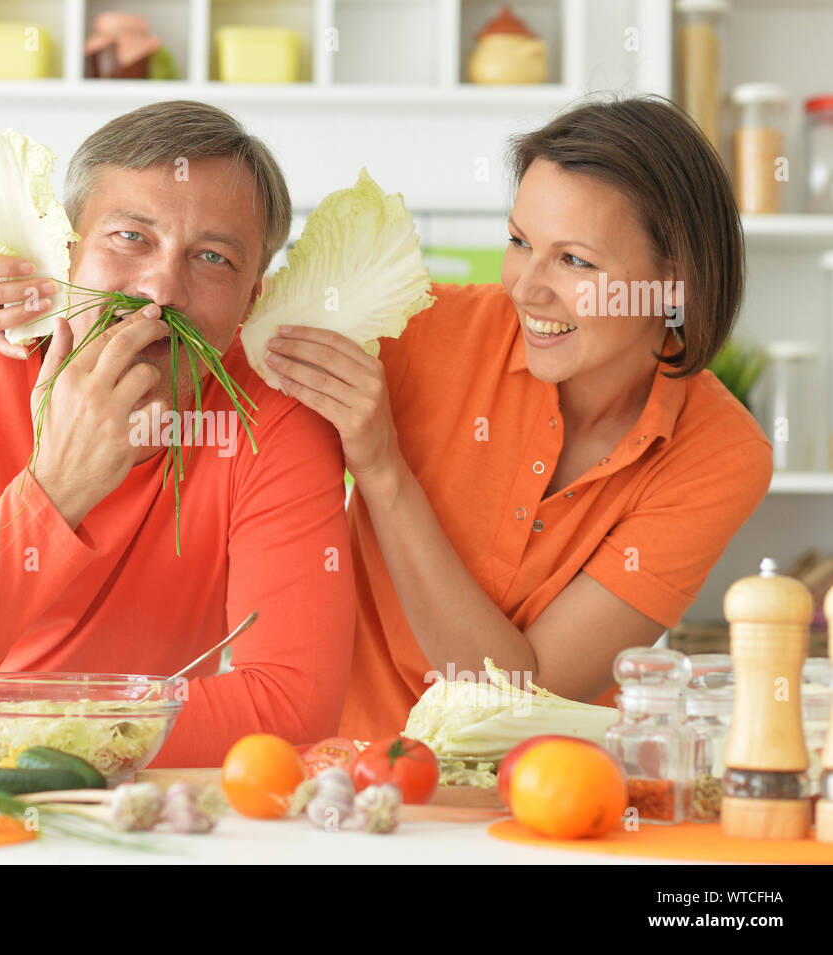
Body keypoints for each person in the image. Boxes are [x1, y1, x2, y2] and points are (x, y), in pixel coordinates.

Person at [0, 100, 355, 765]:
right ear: (65, 252)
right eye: (131, 237)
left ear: (253, 301)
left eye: (212, 257)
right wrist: (56, 488)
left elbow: (292, 705)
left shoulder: (275, 419)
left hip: (140, 817)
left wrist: (16, 737)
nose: (161, 291)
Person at [263, 96, 772, 739]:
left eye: (574, 260)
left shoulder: (720, 456)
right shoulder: (414, 331)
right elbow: (229, 342)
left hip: (540, 801)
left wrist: (383, 471)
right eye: (519, 241)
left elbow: (519, 702)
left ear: (674, 282)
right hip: (338, 776)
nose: (526, 288)